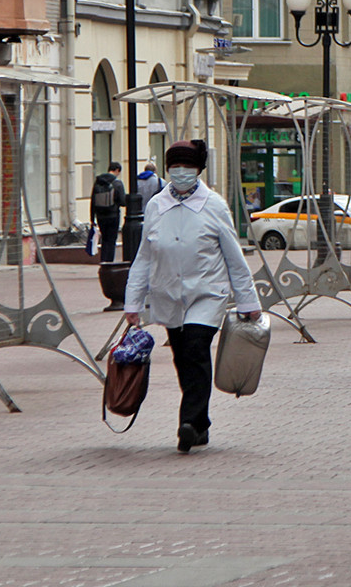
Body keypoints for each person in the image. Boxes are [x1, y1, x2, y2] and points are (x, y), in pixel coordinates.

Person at [124, 139, 261, 453]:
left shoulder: (214, 205)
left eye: (187, 166)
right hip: (168, 295)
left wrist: (248, 301)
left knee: (196, 348)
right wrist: (133, 302)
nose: (181, 172)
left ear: (198, 170)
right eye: (175, 166)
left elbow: (234, 258)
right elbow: (144, 257)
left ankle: (188, 422)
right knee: (182, 357)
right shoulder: (156, 205)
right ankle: (200, 425)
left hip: (207, 293)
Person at [127, 161, 163, 259]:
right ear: (155, 171)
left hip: (139, 211)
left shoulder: (136, 181)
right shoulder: (158, 181)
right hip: (154, 212)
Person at [91, 163, 126, 264]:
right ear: (117, 170)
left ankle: (103, 260)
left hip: (100, 216)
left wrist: (92, 218)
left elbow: (93, 201)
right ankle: (109, 262)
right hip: (113, 215)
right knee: (111, 240)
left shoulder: (98, 182)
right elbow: (123, 201)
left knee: (105, 239)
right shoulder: (117, 183)